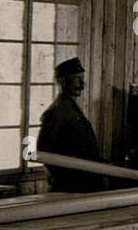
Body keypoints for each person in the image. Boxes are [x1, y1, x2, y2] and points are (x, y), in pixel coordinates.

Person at [37, 57, 107, 192]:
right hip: (72, 184)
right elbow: (43, 151)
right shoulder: (56, 113)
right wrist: (64, 174)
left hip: (87, 179)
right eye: (76, 79)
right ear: (62, 81)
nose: (82, 84)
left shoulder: (72, 108)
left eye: (82, 79)